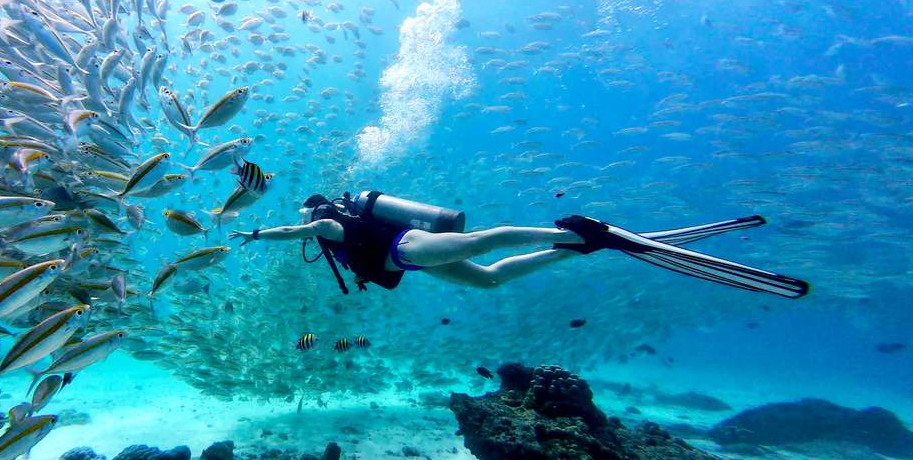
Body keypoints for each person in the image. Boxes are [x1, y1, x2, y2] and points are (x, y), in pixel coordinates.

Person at [228, 191, 809, 298]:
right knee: (489, 278)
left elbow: (296, 232)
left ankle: (576, 230)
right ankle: (578, 248)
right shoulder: (335, 232)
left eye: (308, 213)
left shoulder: (327, 224)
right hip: (404, 261)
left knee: (478, 241)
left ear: (317, 208)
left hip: (406, 246)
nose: (308, 221)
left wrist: (257, 232)